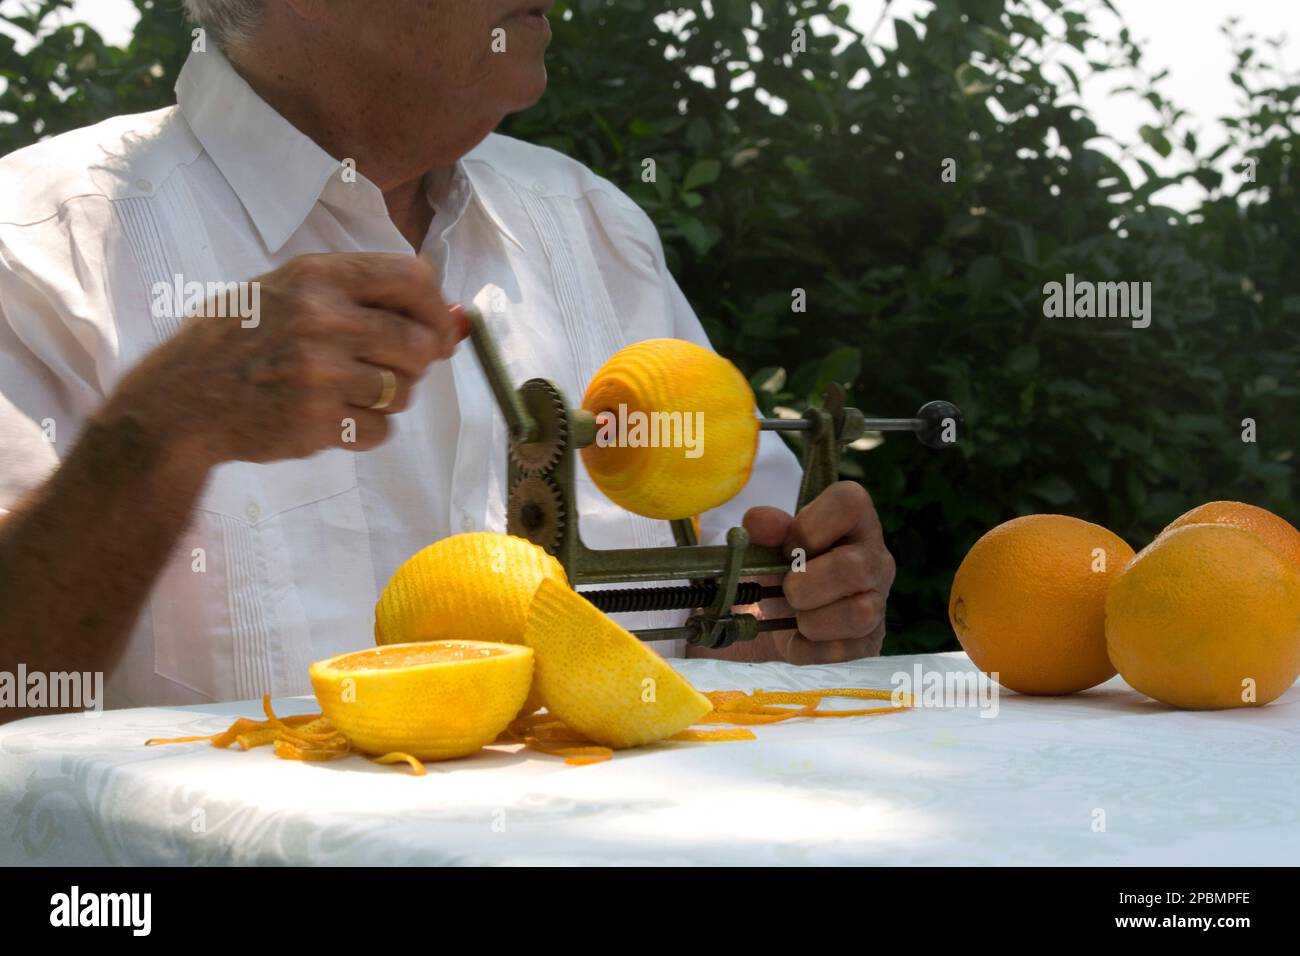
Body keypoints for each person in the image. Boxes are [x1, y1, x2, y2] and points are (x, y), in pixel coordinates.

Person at [0, 0, 895, 719]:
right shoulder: (33, 252)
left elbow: (748, 607)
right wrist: (157, 434)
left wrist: (792, 626)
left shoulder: (594, 226)